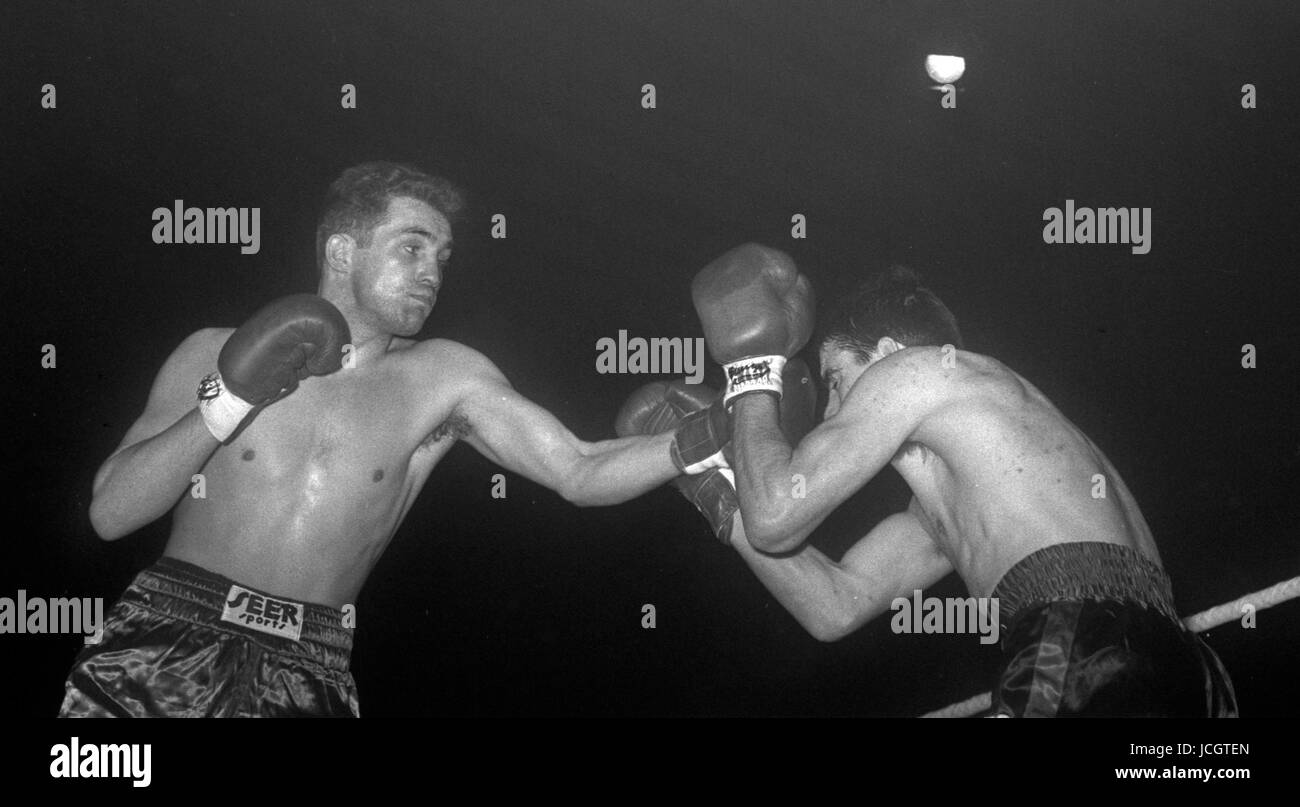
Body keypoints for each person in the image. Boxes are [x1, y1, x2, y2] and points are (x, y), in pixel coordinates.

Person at [61, 162, 720, 717]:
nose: (432, 269)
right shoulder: (212, 351)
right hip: (162, 637)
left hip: (307, 665)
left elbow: (578, 469)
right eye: (411, 246)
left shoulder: (444, 377)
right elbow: (111, 513)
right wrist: (226, 401)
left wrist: (703, 436)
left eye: (442, 255)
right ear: (342, 251)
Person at [625, 243, 1237, 717]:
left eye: (836, 377)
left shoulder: (921, 372)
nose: (833, 413)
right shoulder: (971, 489)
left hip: (1081, 645)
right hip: (1181, 672)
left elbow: (779, 515)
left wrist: (751, 372)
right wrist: (721, 490)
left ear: (890, 352)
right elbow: (834, 605)